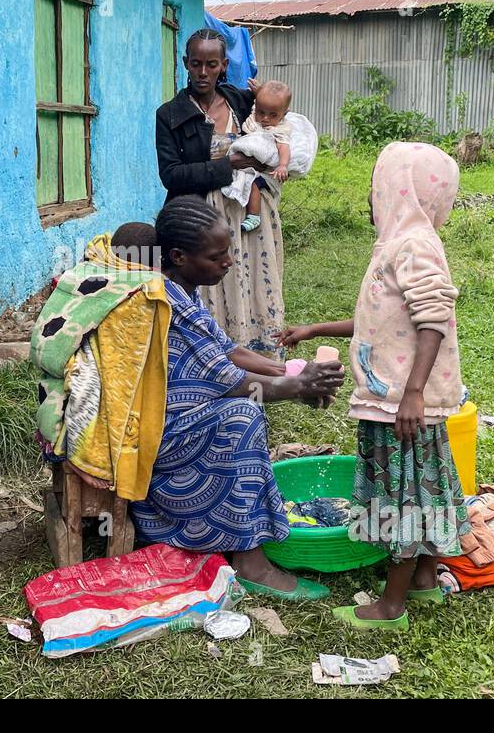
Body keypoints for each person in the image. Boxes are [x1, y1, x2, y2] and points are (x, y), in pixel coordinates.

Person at [279, 142, 471, 629]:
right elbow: (379, 323)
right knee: (422, 489)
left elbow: (434, 320)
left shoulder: (414, 246)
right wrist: (315, 330)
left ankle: (391, 605)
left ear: (401, 192)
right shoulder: (396, 244)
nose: (370, 197)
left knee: (401, 499)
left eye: (376, 187)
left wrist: (411, 393)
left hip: (399, 404)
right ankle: (425, 579)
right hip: (396, 399)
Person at [131, 196, 345, 600]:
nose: (228, 261)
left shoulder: (181, 291)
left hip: (171, 420)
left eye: (228, 250)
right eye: (217, 256)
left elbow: (228, 350)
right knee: (241, 416)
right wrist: (300, 388)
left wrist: (291, 371)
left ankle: (240, 539)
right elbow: (233, 381)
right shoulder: (168, 306)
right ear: (178, 255)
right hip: (158, 437)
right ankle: (250, 560)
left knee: (242, 409)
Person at [155, 29, 287, 357]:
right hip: (204, 220)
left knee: (253, 280)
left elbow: (279, 120)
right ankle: (214, 363)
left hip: (250, 215)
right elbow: (171, 175)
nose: (203, 72)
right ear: (185, 63)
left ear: (223, 64)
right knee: (213, 291)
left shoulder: (240, 101)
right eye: (196, 63)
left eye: (211, 64)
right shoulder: (170, 115)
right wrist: (227, 166)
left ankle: (258, 359)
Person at [31, 223, 170, 499]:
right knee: (89, 384)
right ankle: (79, 459)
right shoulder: (132, 286)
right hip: (76, 358)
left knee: (84, 379)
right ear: (150, 262)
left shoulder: (94, 259)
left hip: (57, 359)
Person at [225, 81, 292, 233]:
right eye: (261, 112)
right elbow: (263, 101)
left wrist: (282, 165)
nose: (265, 118)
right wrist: (259, 91)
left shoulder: (280, 129)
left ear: (284, 113)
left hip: (262, 171)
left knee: (253, 184)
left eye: (273, 115)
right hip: (243, 161)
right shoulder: (258, 109)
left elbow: (284, 147)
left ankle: (254, 216)